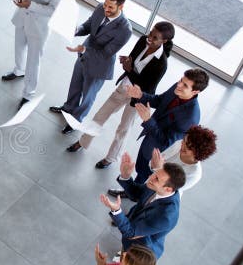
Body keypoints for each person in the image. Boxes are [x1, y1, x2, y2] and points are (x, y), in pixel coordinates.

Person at [67, 22, 174, 168]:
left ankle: (110, 158)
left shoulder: (162, 63)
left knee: (123, 128)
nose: (149, 38)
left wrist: (130, 70)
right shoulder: (143, 40)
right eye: (150, 33)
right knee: (100, 116)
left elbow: (147, 87)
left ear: (164, 41)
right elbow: (132, 59)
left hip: (139, 99)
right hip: (124, 87)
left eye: (154, 38)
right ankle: (83, 142)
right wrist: (127, 62)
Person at [108, 68, 209, 192]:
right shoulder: (177, 88)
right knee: (140, 167)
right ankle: (133, 189)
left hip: (160, 150)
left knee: (147, 172)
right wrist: (141, 95)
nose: (179, 85)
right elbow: (159, 100)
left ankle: (134, 194)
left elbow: (166, 141)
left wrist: (148, 120)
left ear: (195, 91)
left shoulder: (190, 117)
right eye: (181, 81)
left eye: (185, 85)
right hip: (150, 137)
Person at [50, 0, 132, 132]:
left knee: (88, 96)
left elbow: (107, 53)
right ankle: (68, 108)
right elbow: (89, 26)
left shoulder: (125, 29)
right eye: (105, 4)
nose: (106, 8)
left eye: (110, 7)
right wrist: (76, 30)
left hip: (100, 65)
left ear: (121, 6)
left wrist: (84, 49)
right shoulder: (100, 7)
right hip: (84, 55)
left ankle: (75, 121)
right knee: (75, 84)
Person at [2, 0, 68, 107]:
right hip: (21, 18)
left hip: (39, 28)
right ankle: (18, 70)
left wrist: (29, 5)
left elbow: (53, 10)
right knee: (18, 47)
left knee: (33, 60)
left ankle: (28, 93)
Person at [101, 152, 186, 259]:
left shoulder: (166, 217)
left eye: (156, 178)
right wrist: (125, 176)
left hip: (140, 251)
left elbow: (131, 232)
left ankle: (123, 260)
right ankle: (122, 255)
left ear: (168, 189)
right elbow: (137, 193)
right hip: (132, 235)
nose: (151, 177)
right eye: (155, 173)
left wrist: (116, 211)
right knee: (124, 251)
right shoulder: (157, 186)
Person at [148, 125, 217, 194]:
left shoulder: (194, 174)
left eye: (189, 147)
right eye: (184, 140)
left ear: (198, 153)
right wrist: (155, 167)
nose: (183, 145)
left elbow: (169, 192)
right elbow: (152, 162)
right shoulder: (178, 145)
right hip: (150, 181)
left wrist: (157, 168)